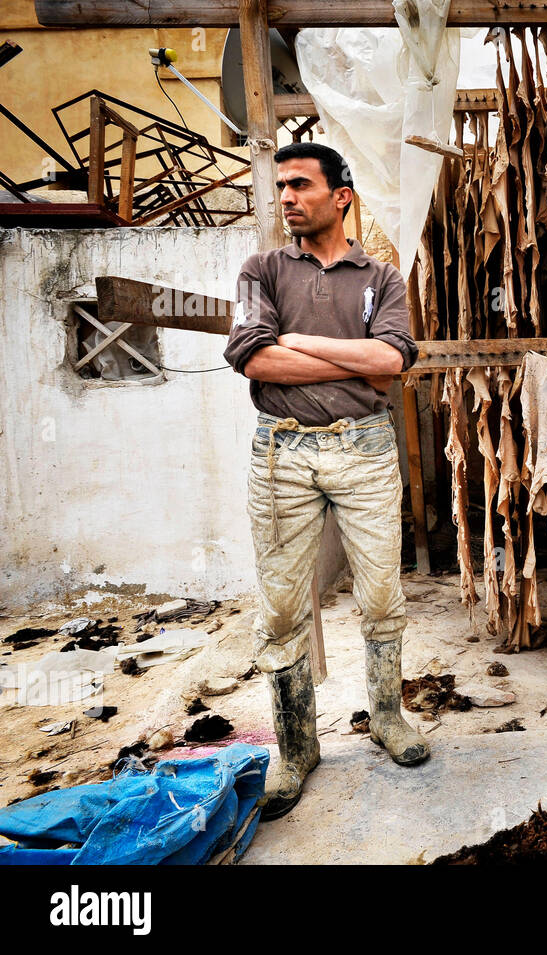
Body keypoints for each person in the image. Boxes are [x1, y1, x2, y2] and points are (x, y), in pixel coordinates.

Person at [224, 142, 428, 820]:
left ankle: (388, 718)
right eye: (280, 185)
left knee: (380, 591)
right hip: (282, 452)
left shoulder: (383, 277)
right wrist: (353, 361)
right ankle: (296, 745)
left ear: (340, 196)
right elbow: (254, 361)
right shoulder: (261, 270)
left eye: (300, 185)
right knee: (282, 605)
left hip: (364, 448)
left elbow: (392, 360)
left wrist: (299, 342)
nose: (286, 196)